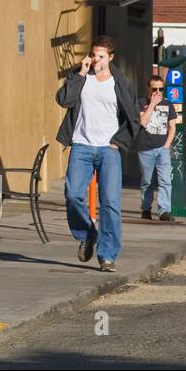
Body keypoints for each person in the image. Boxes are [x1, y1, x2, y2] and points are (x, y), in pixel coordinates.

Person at [55, 35, 140, 272]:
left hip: (108, 149)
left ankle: (108, 255)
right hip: (81, 145)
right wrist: (80, 74)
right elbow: (63, 100)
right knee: (72, 194)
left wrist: (118, 142)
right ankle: (87, 233)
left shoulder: (121, 83)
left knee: (110, 203)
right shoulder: (81, 75)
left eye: (101, 56)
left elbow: (133, 117)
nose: (96, 60)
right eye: (93, 55)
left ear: (110, 57)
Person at [138, 75, 178, 221]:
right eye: (155, 88)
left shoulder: (168, 104)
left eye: (161, 89)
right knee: (147, 181)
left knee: (165, 180)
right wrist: (153, 104)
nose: (158, 91)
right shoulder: (141, 103)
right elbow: (142, 122)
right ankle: (146, 209)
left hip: (163, 148)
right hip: (145, 148)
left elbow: (172, 127)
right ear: (149, 88)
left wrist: (167, 146)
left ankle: (164, 211)